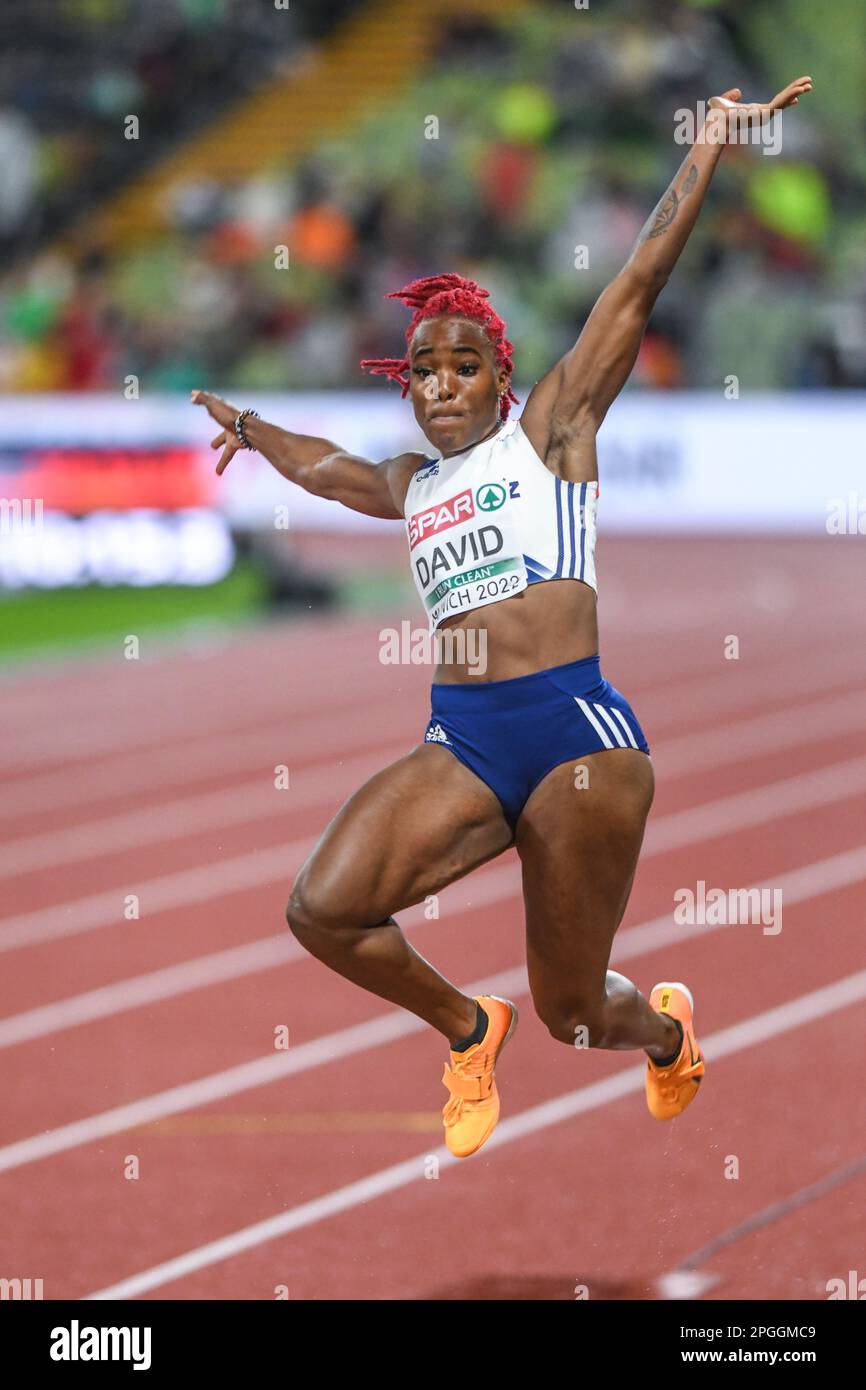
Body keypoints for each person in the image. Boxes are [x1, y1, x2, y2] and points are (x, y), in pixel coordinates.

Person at [192, 76, 812, 1159]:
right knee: (322, 908)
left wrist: (708, 143)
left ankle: (665, 1033)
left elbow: (636, 282)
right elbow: (328, 470)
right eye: (421, 370)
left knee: (578, 1013)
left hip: (577, 737)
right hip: (464, 742)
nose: (437, 383)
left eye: (460, 364)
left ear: (499, 378)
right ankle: (468, 1027)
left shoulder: (553, 430)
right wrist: (250, 425)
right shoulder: (409, 485)